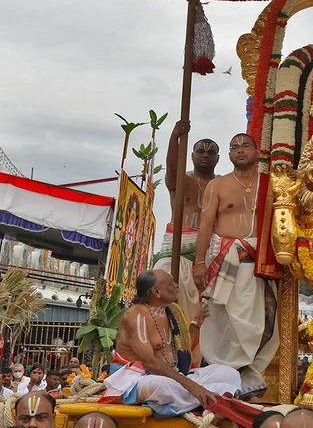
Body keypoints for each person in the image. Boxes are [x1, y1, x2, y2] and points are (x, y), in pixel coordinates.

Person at [193, 133, 278, 396]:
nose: (240, 150)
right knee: (220, 321)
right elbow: (205, 225)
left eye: (245, 146)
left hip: (257, 265)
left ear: (257, 152)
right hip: (224, 262)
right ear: (229, 155)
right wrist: (199, 262)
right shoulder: (217, 185)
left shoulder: (271, 184)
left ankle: (248, 375)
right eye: (234, 147)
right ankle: (221, 376)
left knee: (260, 322)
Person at [103, 269, 240, 415]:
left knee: (230, 374)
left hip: (174, 376)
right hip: (136, 379)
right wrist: (194, 387)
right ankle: (214, 395)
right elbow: (150, 363)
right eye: (170, 283)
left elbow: (183, 348)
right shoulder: (136, 316)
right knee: (162, 387)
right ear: (157, 292)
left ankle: (197, 398)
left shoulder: (171, 311)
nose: (176, 285)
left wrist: (196, 322)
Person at [153, 122, 219, 327]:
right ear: (191, 156)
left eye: (211, 152)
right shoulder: (180, 180)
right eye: (200, 151)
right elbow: (172, 170)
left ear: (218, 158)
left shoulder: (222, 185)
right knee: (162, 292)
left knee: (209, 312)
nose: (205, 155)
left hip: (209, 253)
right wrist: (175, 137)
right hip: (177, 249)